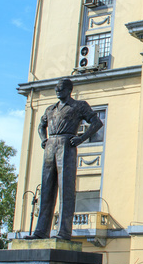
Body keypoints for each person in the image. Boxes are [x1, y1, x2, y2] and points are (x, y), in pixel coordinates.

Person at [29, 78, 103, 241]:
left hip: (67, 145)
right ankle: (41, 231)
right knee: (46, 190)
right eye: (56, 88)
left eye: (60, 88)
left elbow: (97, 123)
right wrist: (43, 139)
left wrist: (81, 138)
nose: (57, 91)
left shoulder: (79, 106)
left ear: (69, 90)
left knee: (66, 190)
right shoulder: (50, 109)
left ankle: (63, 232)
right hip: (50, 146)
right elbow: (41, 126)